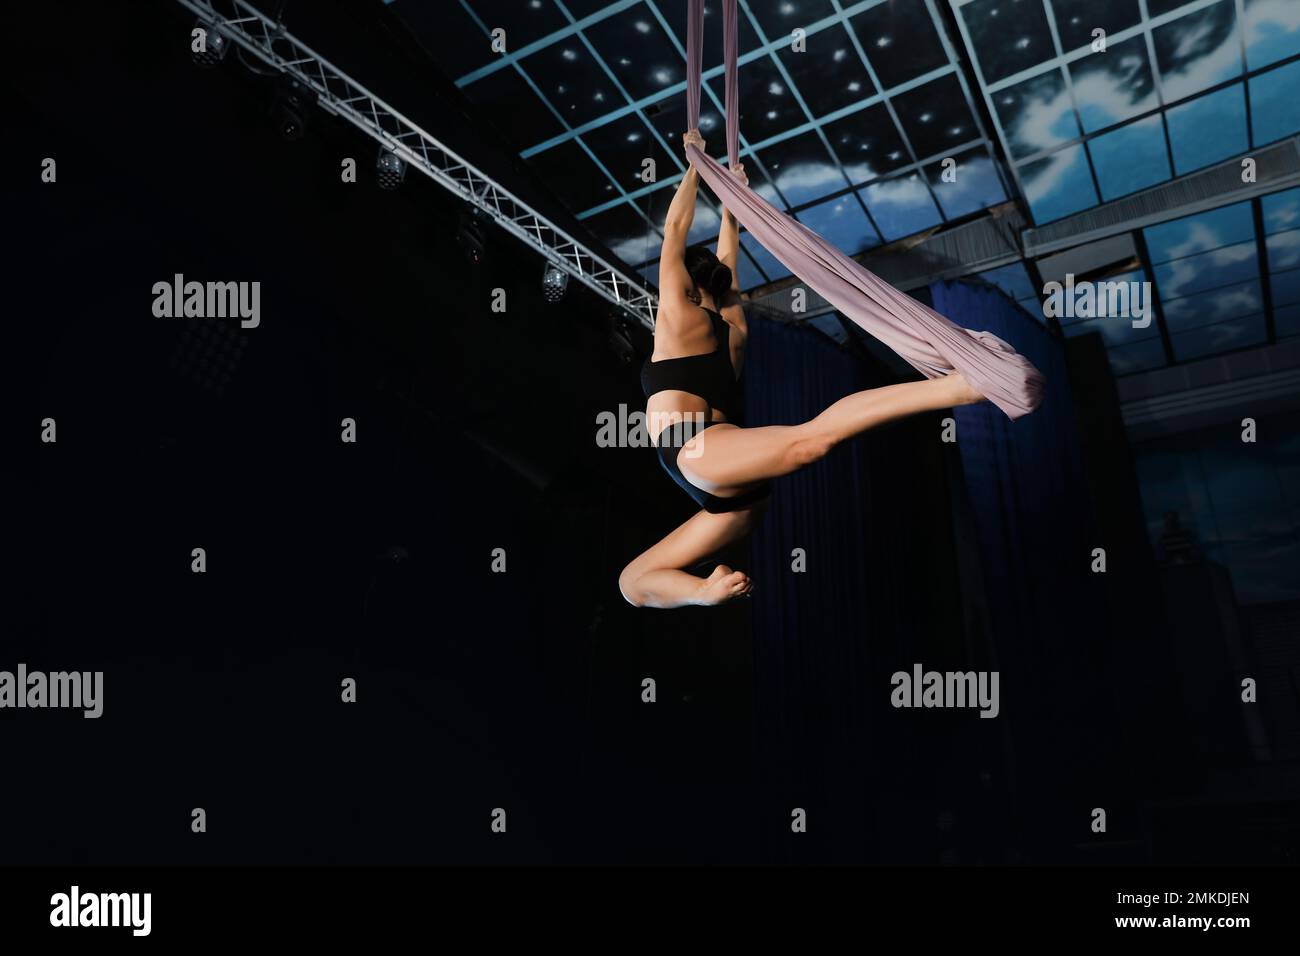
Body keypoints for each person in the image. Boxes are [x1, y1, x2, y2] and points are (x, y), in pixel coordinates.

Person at [619, 130, 986, 609]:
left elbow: (676, 232)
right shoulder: (730, 326)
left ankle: (959, 386)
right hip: (723, 485)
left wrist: (697, 163)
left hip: (701, 456)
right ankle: (706, 591)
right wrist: (726, 196)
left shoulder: (676, 321)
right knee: (633, 582)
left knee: (636, 583)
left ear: (684, 283)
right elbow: (714, 257)